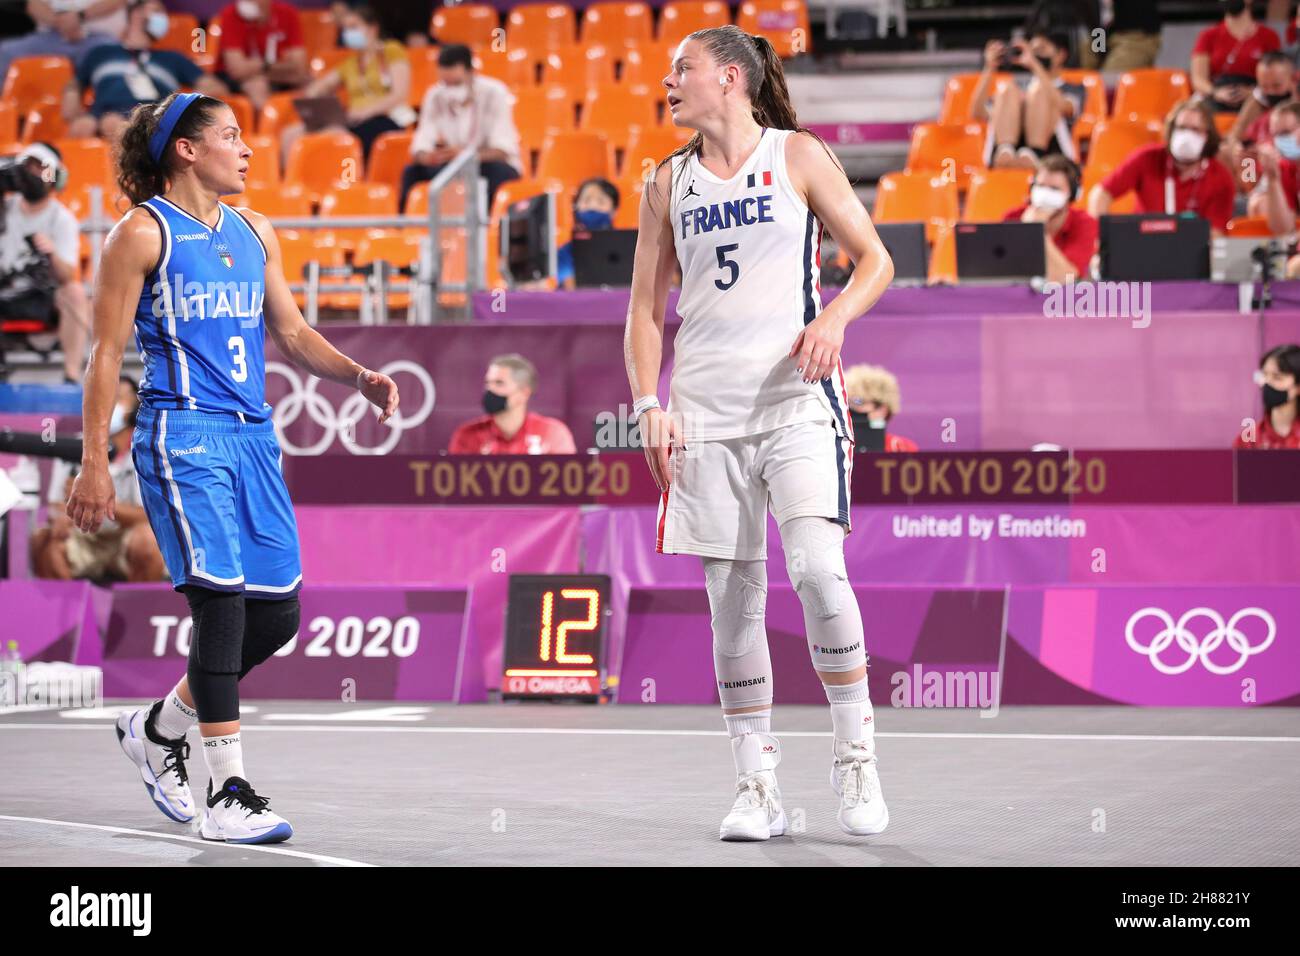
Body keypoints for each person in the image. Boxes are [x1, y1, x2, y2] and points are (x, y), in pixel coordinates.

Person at [65, 91, 399, 843]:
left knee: (278, 612)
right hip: (182, 433)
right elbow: (105, 355)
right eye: (231, 137)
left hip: (255, 436)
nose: (247, 150)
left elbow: (292, 330)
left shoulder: (254, 229)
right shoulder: (140, 234)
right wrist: (93, 459)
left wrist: (356, 376)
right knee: (221, 602)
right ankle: (228, 793)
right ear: (186, 149)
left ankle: (159, 729)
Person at [625, 25, 895, 842]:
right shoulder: (665, 182)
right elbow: (643, 309)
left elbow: (874, 259)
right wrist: (647, 403)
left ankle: (856, 756)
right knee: (733, 609)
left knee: (817, 572)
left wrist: (838, 319)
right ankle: (758, 787)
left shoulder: (799, 154)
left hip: (797, 403)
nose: (669, 82)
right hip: (704, 413)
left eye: (684, 69)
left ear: (731, 78)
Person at [30, 375, 166, 582]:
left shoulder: (149, 450)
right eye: (105, 398)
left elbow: (149, 517)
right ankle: (71, 612)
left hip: (126, 535)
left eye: (118, 399)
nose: (110, 406)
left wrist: (97, 501)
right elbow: (57, 504)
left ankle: (137, 609)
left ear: (134, 409)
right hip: (85, 536)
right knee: (44, 539)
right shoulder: (72, 447)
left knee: (148, 539)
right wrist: (60, 518)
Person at [64, 0, 227, 141]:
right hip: (103, 113)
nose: (163, 19)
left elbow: (214, 86)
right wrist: (71, 95)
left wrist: (185, 107)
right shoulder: (101, 53)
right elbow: (75, 83)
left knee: (113, 124)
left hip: (153, 117)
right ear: (136, 13)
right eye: (157, 11)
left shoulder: (173, 58)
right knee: (83, 126)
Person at [0, 143, 92, 383]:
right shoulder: (5, 209)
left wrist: (51, 252)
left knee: (74, 292)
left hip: (40, 295)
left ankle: (71, 375)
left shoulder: (62, 218)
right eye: (27, 167)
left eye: (40, 168)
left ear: (53, 176)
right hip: (5, 290)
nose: (32, 173)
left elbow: (68, 275)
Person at [277, 5, 414, 163]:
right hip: (354, 121)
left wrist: (365, 111)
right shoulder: (350, 64)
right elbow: (319, 87)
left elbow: (399, 95)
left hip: (384, 119)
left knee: (332, 134)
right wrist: (313, 93)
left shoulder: (391, 51)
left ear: (373, 28)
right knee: (291, 133)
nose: (349, 33)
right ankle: (293, 183)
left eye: (354, 27)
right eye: (346, 29)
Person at [1088, 99, 1236, 236]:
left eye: (1195, 129)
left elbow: (1215, 234)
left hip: (1190, 253)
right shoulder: (1147, 157)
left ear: (1207, 136)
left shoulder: (1221, 178)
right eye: (1182, 128)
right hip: (1142, 243)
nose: (1187, 136)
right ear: (1171, 130)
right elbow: (1100, 194)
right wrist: (1103, 237)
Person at [401, 44, 522, 213]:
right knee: (412, 172)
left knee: (498, 173)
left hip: (485, 163)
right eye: (445, 83)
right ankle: (407, 231)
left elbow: (502, 150)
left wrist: (466, 155)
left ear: (471, 72)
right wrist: (427, 156)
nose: (450, 89)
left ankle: (488, 230)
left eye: (456, 83)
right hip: (452, 164)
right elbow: (421, 142)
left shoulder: (495, 93)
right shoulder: (435, 95)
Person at [972, 30, 1086, 168]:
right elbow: (977, 113)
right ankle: (1005, 149)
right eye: (1031, 51)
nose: (1033, 55)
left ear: (1060, 55)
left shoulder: (1073, 88)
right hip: (1009, 159)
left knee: (1040, 91)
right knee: (1006, 88)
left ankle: (1035, 153)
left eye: (1041, 50)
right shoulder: (1016, 90)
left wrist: (1034, 66)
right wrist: (989, 67)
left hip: (1054, 160)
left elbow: (1065, 107)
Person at [448, 353, 576, 454]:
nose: (490, 389)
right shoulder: (467, 435)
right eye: (488, 383)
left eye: (499, 383)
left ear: (524, 393)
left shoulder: (552, 433)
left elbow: (567, 482)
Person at [1002, 154, 1097, 282]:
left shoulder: (1085, 223)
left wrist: (1037, 231)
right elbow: (1005, 271)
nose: (1045, 194)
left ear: (1072, 194)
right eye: (1040, 186)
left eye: (1054, 188)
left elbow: (1065, 278)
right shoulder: (1013, 217)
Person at [216, 0, 311, 112]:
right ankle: (270, 126)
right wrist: (277, 65)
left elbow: (300, 68)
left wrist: (259, 66)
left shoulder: (287, 13)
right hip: (237, 80)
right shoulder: (231, 14)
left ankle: (305, 127)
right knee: (257, 86)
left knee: (310, 83)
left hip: (275, 76)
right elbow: (237, 70)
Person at [0, 0, 125, 82]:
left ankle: (105, 113)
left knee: (113, 58)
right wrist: (60, 22)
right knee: (4, 51)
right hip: (51, 35)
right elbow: (33, 4)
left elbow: (117, 2)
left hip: (97, 38)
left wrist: (80, 17)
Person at [1191, 0, 1280, 114]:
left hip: (1255, 97)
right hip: (1215, 94)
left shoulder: (1269, 36)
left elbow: (1276, 76)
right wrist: (1216, 92)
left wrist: (1253, 92)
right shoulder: (1207, 36)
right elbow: (1198, 79)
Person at [556, 177, 620, 287]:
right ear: (576, 208)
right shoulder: (564, 253)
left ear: (614, 210)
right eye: (586, 200)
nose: (592, 207)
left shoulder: (626, 246)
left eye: (601, 201)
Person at [1234, 344, 1300, 448]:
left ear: (1298, 386)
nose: (1266, 383)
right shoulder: (1249, 440)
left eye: (1277, 377)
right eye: (1264, 375)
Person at [842, 364, 918, 452]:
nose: (850, 407)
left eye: (858, 401)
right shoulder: (835, 446)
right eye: (848, 401)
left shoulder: (901, 448)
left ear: (882, 410)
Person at [1247, 101, 1300, 225]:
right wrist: (1272, 179)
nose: (1281, 140)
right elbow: (1283, 228)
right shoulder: (1281, 167)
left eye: (1286, 132)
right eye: (1276, 134)